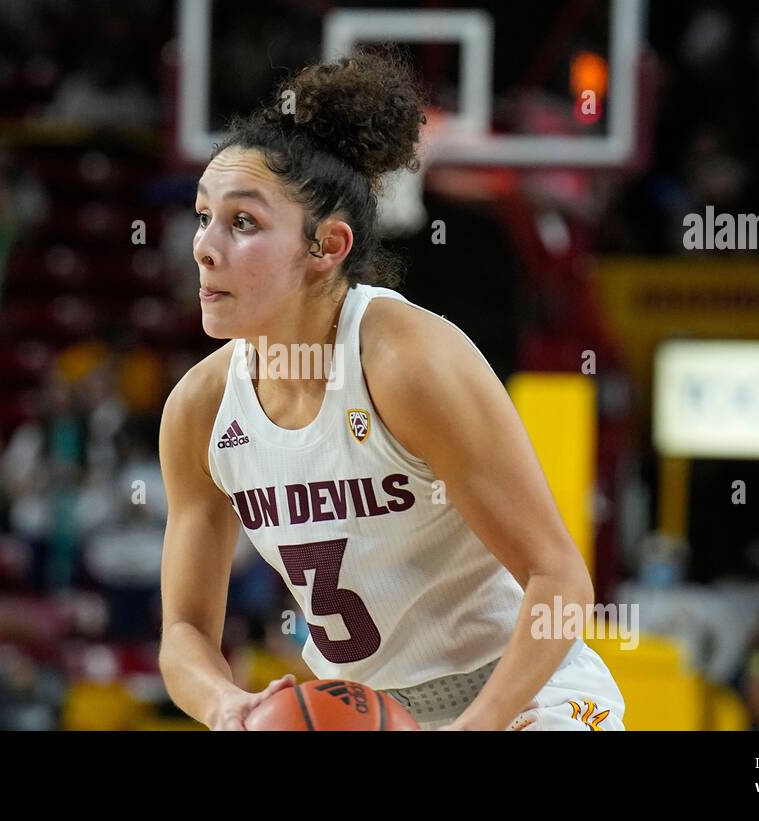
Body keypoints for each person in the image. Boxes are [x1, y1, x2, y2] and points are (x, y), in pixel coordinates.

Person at [158, 47, 623, 731]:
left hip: (524, 692)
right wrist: (224, 702)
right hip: (362, 709)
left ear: (327, 246)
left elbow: (561, 583)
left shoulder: (408, 361)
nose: (204, 245)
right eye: (203, 217)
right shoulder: (199, 410)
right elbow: (184, 634)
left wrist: (473, 727)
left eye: (243, 222)